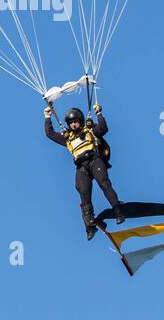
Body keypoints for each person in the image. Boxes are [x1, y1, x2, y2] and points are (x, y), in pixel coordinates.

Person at [45, 102, 125, 240]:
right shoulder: (67, 138)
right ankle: (90, 227)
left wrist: (99, 114)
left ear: (80, 121)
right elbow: (50, 134)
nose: (73, 125)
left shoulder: (89, 129)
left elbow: (103, 129)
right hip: (81, 167)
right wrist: (47, 118)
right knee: (83, 193)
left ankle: (118, 211)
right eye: (71, 123)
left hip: (95, 160)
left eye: (75, 121)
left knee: (104, 183)